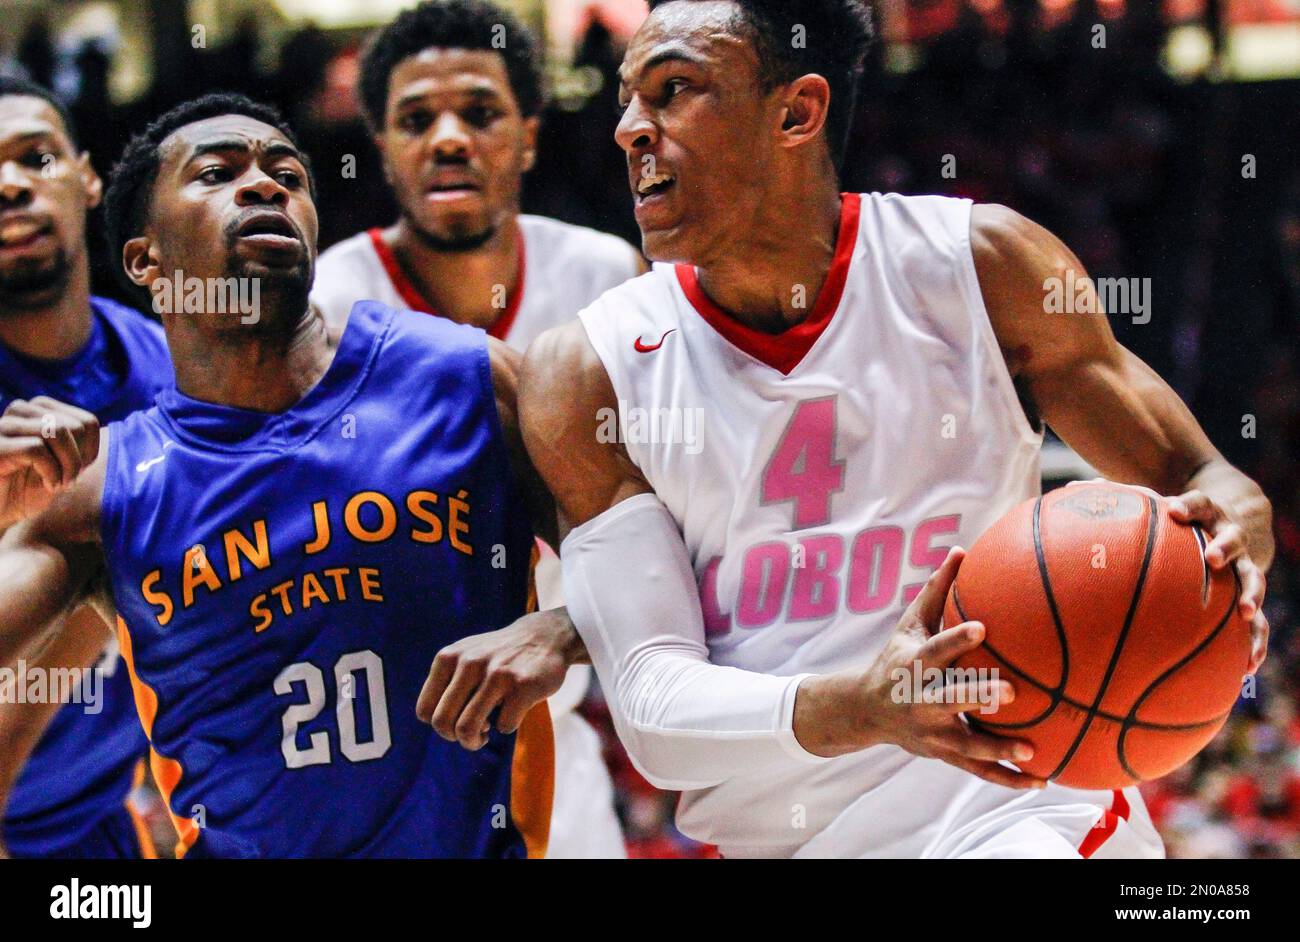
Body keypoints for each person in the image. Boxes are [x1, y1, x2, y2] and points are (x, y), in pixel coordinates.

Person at [512, 0, 1274, 858]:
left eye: (673, 90)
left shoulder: (980, 268)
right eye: (626, 99)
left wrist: (1234, 536)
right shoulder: (588, 373)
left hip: (1015, 809)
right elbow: (653, 713)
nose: (626, 130)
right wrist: (866, 706)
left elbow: (1205, 479)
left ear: (797, 111)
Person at [0, 93, 582, 858]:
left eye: (287, 174)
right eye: (217, 172)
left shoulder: (463, 376)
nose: (265, 185)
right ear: (146, 259)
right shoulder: (106, 489)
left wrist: (566, 628)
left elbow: (663, 558)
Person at [311, 0, 638, 858]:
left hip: (560, 749)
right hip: (381, 766)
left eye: (481, 113)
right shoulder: (325, 305)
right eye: (416, 120)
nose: (448, 138)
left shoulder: (607, 275)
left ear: (528, 136)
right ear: (381, 147)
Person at [0, 76, 169, 860]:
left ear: (90, 178)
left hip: (106, 815)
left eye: (36, 158)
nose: (10, 185)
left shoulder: (173, 367)